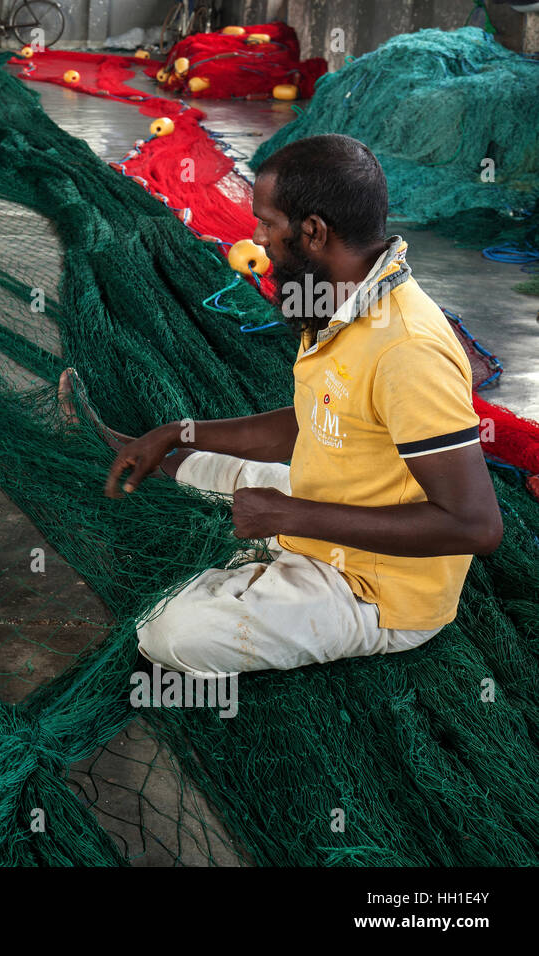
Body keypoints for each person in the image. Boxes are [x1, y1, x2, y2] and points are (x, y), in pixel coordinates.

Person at [59, 134, 503, 675]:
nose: (257, 237)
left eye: (267, 224)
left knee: (167, 634)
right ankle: (142, 453)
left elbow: (476, 526)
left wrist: (291, 514)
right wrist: (178, 431)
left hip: (376, 585)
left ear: (313, 231)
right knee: (230, 472)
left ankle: (262, 571)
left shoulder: (409, 349)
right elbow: (310, 424)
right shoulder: (339, 296)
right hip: (328, 503)